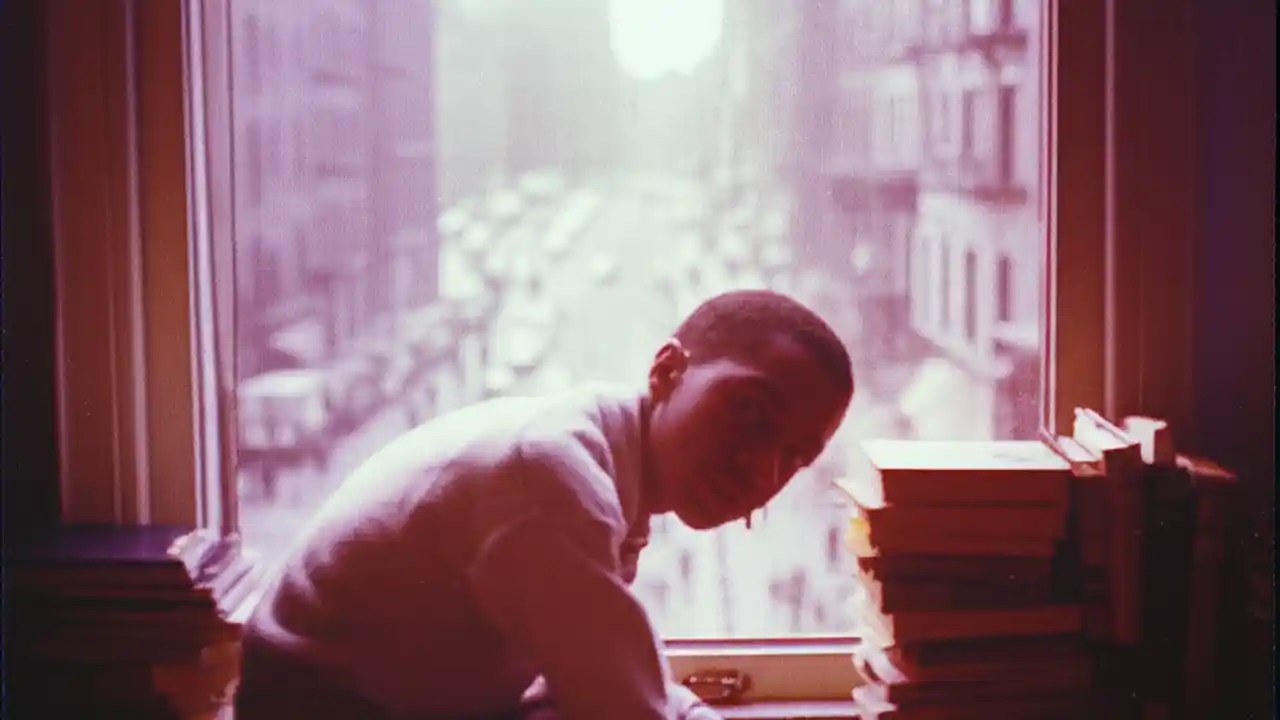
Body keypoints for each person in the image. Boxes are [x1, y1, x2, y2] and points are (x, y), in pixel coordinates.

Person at [234, 289, 855, 719]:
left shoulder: (595, 445)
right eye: (749, 411)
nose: (762, 470)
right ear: (667, 370)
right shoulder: (554, 483)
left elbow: (602, 670)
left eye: (795, 457)